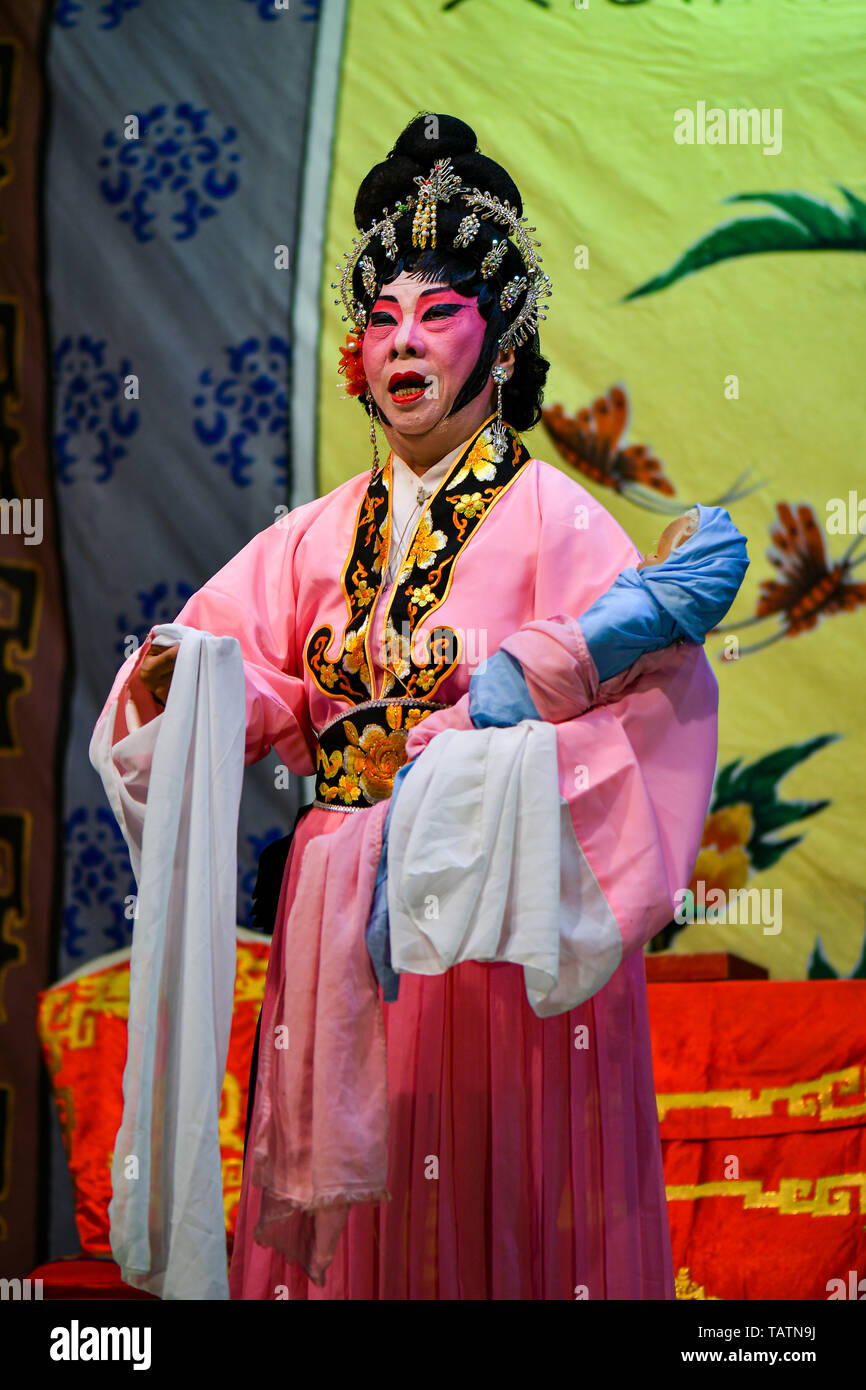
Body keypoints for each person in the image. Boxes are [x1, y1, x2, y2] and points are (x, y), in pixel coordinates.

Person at [92, 113, 748, 1301]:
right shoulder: (316, 531)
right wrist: (188, 685)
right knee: (355, 1229)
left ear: (496, 343)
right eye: (381, 317)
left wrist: (481, 775)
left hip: (487, 923)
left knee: (493, 1208)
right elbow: (254, 676)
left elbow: (650, 700)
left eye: (437, 312)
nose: (403, 341)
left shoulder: (556, 516)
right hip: (335, 905)